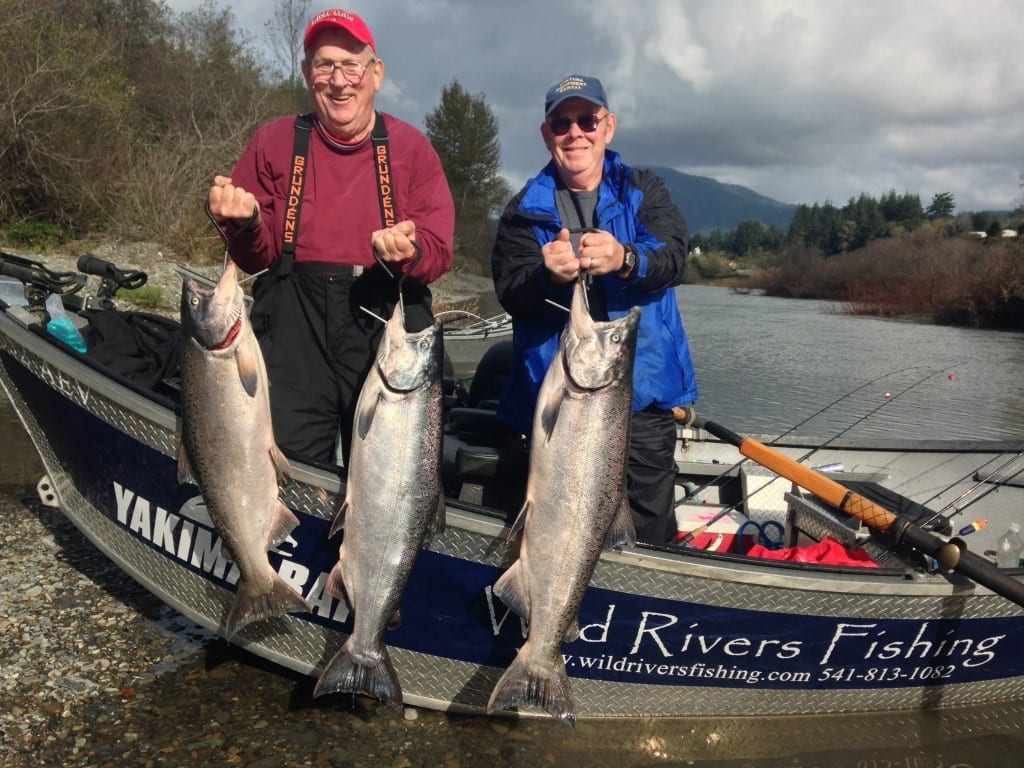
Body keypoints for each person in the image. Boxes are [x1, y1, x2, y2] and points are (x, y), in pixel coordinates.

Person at [207, 8, 454, 468]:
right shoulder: (275, 140)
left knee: (388, 474)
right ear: (307, 74)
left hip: (382, 331)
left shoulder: (413, 149)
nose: (338, 80)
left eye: (351, 64)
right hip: (293, 335)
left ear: (375, 74)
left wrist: (409, 255)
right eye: (324, 65)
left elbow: (439, 252)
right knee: (284, 465)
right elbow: (257, 258)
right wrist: (244, 223)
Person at [491, 74, 698, 546]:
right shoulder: (522, 210)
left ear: (609, 127)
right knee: (550, 535)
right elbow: (511, 291)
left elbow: (672, 258)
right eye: (562, 124)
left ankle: (641, 616)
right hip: (554, 409)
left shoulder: (646, 190)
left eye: (587, 120)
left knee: (646, 537)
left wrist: (626, 259)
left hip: (641, 401)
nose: (575, 133)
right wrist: (547, 277)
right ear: (547, 135)